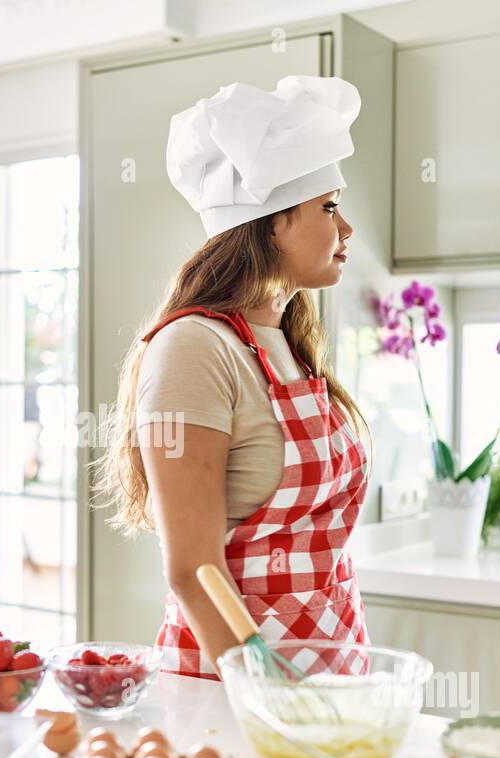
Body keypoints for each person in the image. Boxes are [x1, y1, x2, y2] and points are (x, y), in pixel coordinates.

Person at [96, 75, 373, 680]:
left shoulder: (291, 342)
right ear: (271, 223)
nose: (346, 228)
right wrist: (268, 696)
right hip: (233, 687)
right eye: (328, 207)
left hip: (331, 667)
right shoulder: (192, 349)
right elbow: (194, 569)